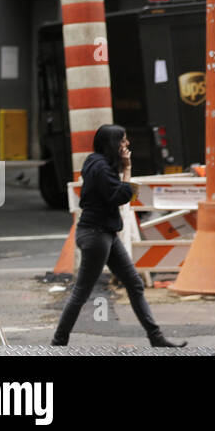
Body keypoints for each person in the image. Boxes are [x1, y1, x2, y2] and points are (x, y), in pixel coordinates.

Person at [52, 125, 186, 347]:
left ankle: (156, 337)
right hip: (96, 235)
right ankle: (58, 342)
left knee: (134, 284)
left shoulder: (95, 162)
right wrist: (128, 168)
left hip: (104, 233)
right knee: (81, 293)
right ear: (113, 144)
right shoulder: (101, 168)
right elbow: (121, 196)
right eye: (123, 141)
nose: (127, 145)